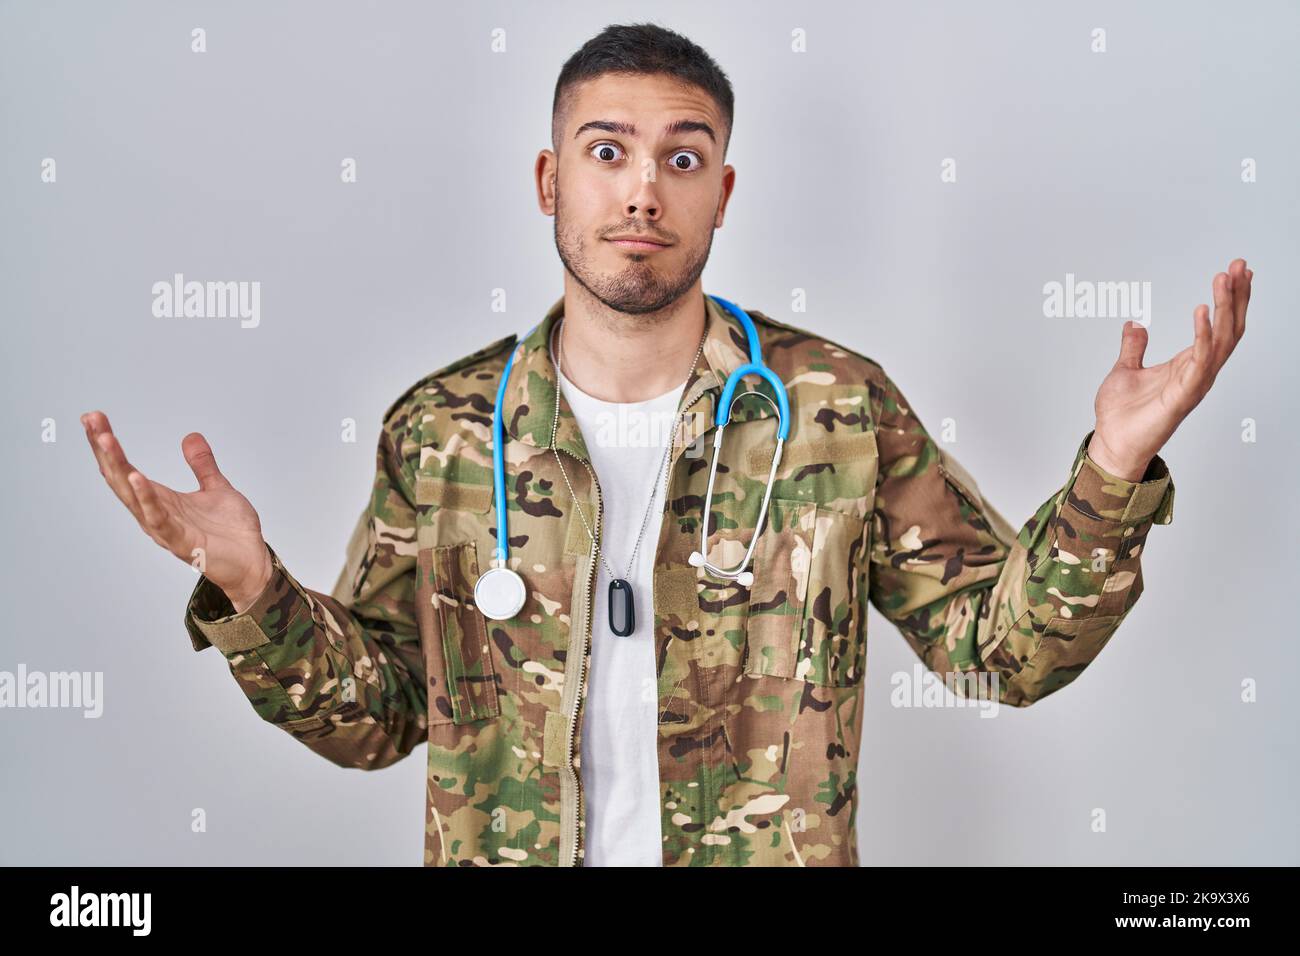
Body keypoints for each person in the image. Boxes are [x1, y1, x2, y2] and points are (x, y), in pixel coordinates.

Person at [80, 23, 1250, 867]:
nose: (642, 189)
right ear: (550, 180)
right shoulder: (439, 432)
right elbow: (382, 716)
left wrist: (1109, 477)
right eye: (606, 152)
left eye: (681, 158)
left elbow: (1002, 652)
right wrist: (252, 589)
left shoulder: (832, 406)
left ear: (722, 191)